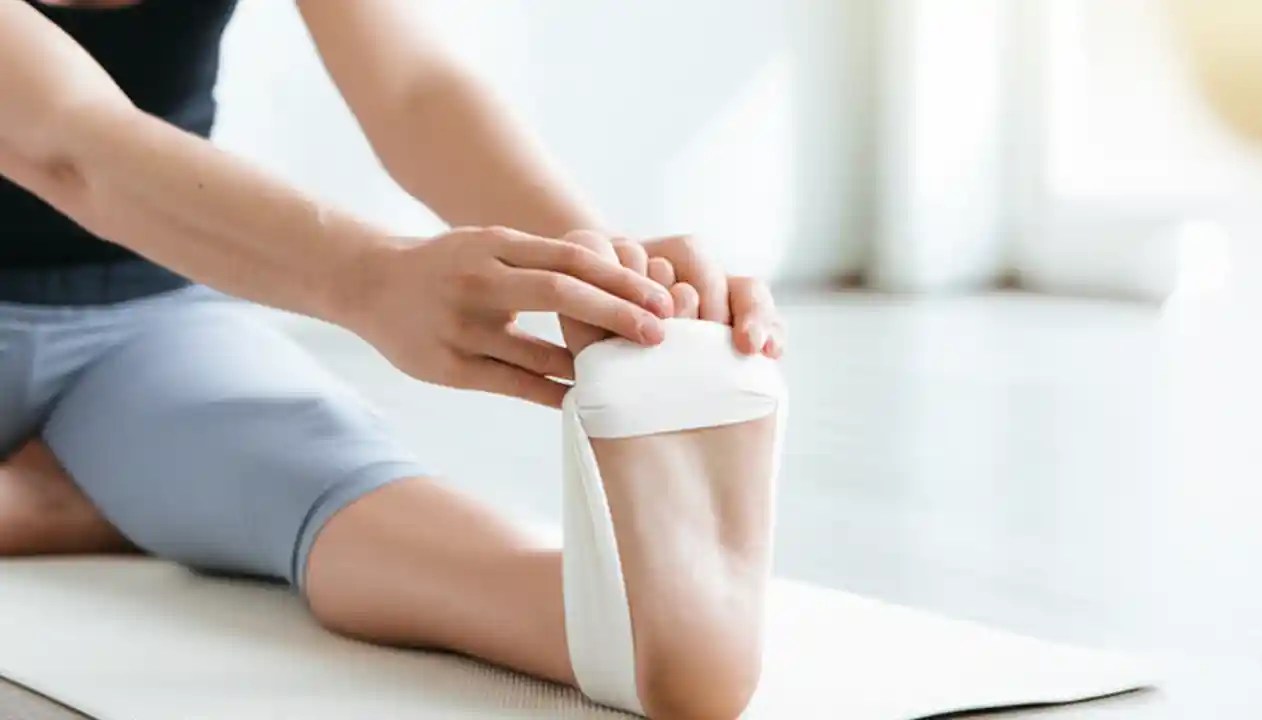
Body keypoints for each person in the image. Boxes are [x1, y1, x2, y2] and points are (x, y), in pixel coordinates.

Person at [0, 1, 785, 718]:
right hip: (121, 319)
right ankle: (88, 502)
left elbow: (412, 88)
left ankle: (620, 630)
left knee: (328, 474)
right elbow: (69, 143)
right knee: (222, 465)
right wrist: (371, 278)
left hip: (147, 327)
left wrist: (603, 282)